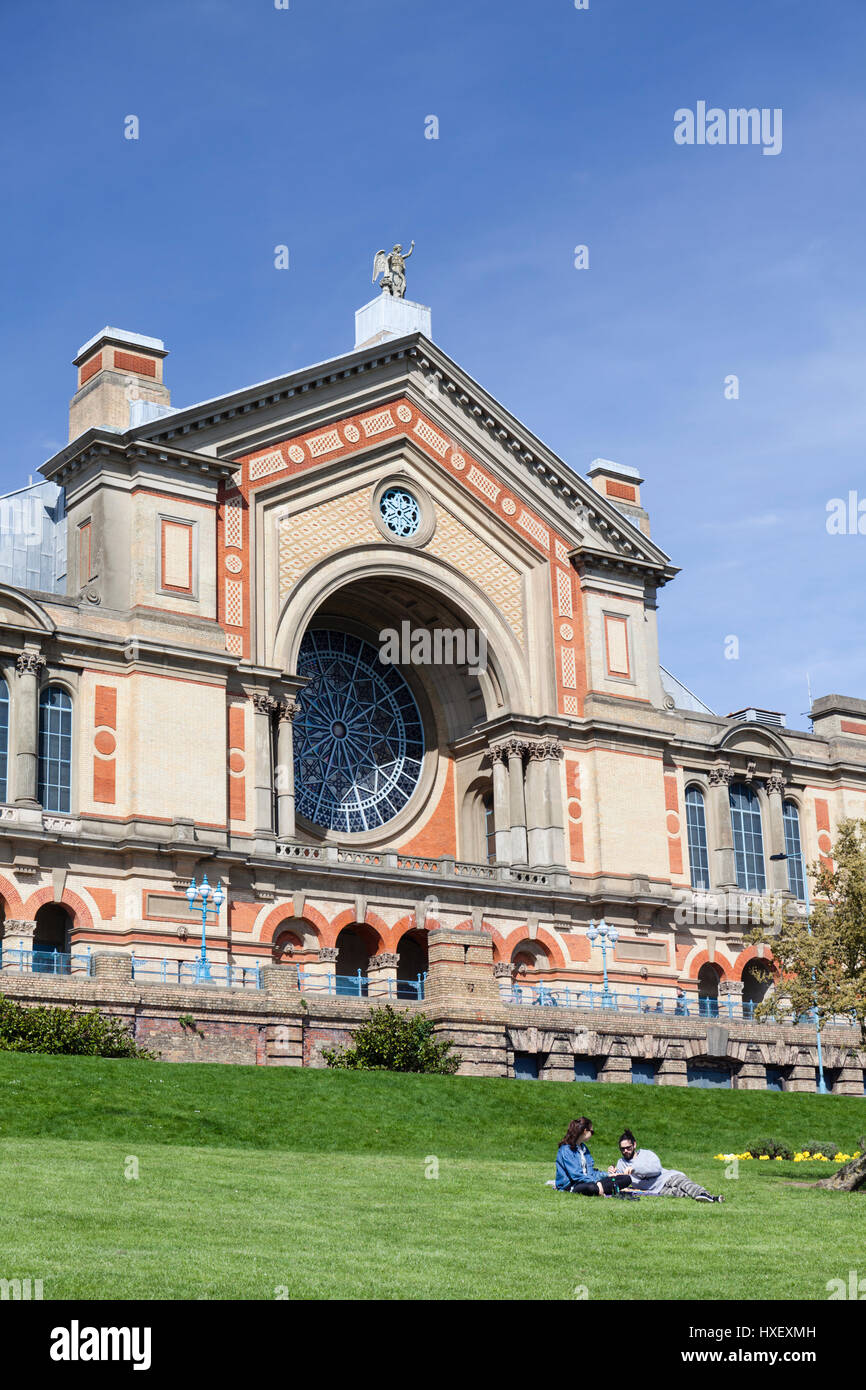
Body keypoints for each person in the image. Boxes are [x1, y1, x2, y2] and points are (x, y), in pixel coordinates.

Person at [615, 1129, 724, 1202]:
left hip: (666, 1177)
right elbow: (618, 1181)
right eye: (622, 1149)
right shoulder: (621, 1163)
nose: (625, 1151)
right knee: (679, 1194)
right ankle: (701, 1199)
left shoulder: (647, 1154)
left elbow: (656, 1169)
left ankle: (707, 1196)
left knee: (685, 1184)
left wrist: (635, 1169)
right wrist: (613, 1173)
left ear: (634, 1144)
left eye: (628, 1147)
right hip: (655, 1189)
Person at [554, 1117, 638, 1197]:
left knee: (626, 1178)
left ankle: (601, 1188)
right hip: (572, 1185)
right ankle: (602, 1188)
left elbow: (591, 1173)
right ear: (585, 1131)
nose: (592, 1134)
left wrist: (609, 1175)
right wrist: (596, 1182)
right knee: (591, 1187)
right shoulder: (566, 1150)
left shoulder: (583, 1148)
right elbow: (576, 1176)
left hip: (589, 1181)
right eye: (592, 1132)